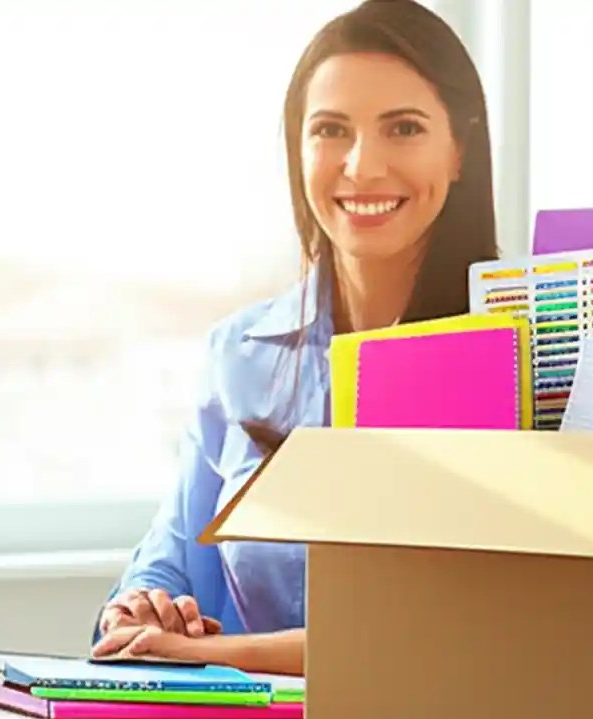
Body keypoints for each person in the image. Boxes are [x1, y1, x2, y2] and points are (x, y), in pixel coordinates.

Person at [90, 0, 498, 675]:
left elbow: (450, 636)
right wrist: (141, 609)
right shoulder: (242, 353)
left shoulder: (518, 360)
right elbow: (167, 560)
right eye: (332, 130)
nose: (362, 167)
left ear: (459, 149)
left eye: (403, 128)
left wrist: (214, 652)